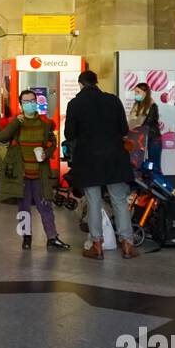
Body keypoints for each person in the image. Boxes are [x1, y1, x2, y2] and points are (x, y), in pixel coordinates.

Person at [65, 70, 137, 259]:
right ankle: (127, 244)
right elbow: (124, 129)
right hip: (115, 157)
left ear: (80, 84)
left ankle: (97, 244)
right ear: (96, 82)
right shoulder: (113, 100)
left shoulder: (75, 104)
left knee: (94, 202)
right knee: (120, 201)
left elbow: (69, 134)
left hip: (89, 159)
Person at [0, 89, 71, 251]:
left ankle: (52, 238)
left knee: (45, 206)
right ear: (21, 104)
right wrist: (16, 121)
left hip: (40, 173)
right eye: (26, 102)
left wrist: (47, 153)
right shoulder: (16, 122)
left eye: (32, 101)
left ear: (36, 102)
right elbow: (2, 138)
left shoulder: (45, 123)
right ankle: (26, 238)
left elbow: (52, 141)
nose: (30, 104)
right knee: (23, 208)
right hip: (21, 174)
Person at [129, 82, 172, 192]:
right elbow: (131, 123)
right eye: (135, 92)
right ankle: (147, 191)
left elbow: (148, 122)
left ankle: (167, 191)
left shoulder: (152, 106)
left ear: (145, 93)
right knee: (141, 167)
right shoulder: (136, 106)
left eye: (138, 92)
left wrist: (137, 126)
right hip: (140, 141)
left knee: (155, 167)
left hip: (153, 140)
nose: (136, 94)